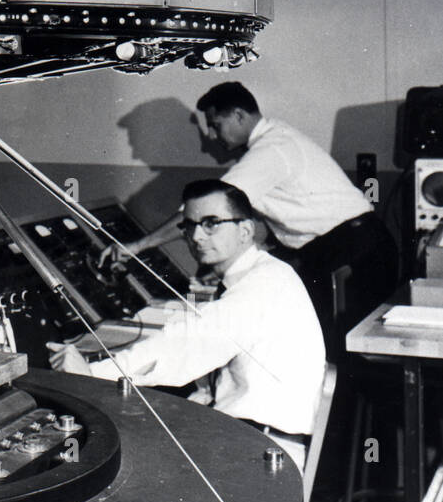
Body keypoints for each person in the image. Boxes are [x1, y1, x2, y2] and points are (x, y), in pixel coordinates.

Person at [100, 82, 397, 354]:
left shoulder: (271, 150)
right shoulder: (275, 140)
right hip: (347, 247)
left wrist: (137, 247)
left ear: (239, 116)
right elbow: (267, 220)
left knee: (340, 353)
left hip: (354, 252)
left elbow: (205, 212)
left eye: (216, 126)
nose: (212, 137)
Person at [53, 179, 325, 469]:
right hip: (257, 437)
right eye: (189, 225)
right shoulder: (266, 273)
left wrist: (91, 373)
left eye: (212, 223)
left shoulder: (261, 286)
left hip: (261, 453)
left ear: (245, 230)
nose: (196, 236)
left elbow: (185, 346)